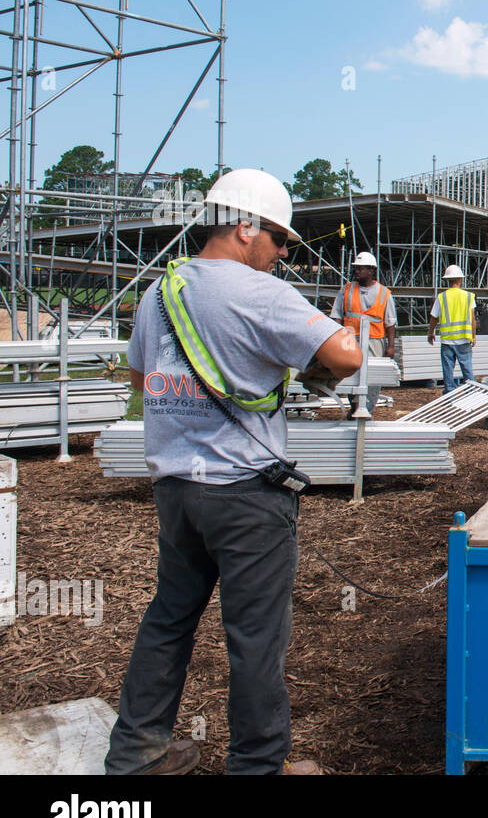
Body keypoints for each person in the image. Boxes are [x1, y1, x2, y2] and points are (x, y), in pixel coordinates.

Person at [105, 169, 362, 775]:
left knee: (169, 620)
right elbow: (346, 353)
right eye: (279, 240)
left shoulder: (158, 292)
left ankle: (136, 756)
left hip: (176, 491)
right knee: (254, 641)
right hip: (247, 497)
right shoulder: (257, 293)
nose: (280, 254)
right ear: (244, 227)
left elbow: (143, 383)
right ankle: (257, 767)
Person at [330, 251, 397, 417]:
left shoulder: (384, 293)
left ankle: (367, 410)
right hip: (350, 339)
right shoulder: (346, 290)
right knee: (351, 374)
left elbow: (390, 322)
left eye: (361, 268)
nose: (357, 271)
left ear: (371, 270)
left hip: (374, 340)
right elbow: (336, 316)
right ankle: (355, 409)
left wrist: (391, 346)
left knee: (372, 378)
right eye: (356, 268)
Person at [427, 264, 476, 393]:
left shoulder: (442, 297)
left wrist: (430, 333)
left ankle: (449, 395)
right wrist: (474, 336)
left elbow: (434, 317)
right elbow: (472, 319)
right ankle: (471, 393)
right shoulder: (468, 296)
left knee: (448, 371)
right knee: (467, 369)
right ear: (460, 279)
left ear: (447, 280)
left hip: (447, 341)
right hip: (464, 340)